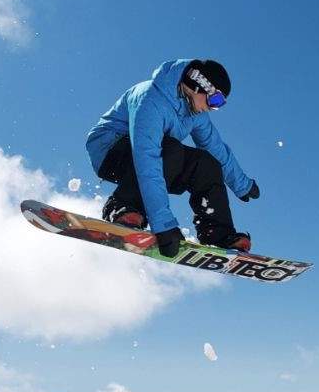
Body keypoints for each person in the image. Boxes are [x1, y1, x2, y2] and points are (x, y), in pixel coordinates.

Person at [85, 59, 260, 257]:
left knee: (206, 163)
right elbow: (147, 158)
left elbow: (216, 147)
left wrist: (242, 184)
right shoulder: (150, 98)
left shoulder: (195, 114)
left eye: (219, 105)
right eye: (215, 100)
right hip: (110, 151)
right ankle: (122, 206)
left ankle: (216, 233)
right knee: (170, 149)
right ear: (198, 84)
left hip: (163, 157)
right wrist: (163, 224)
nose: (213, 108)